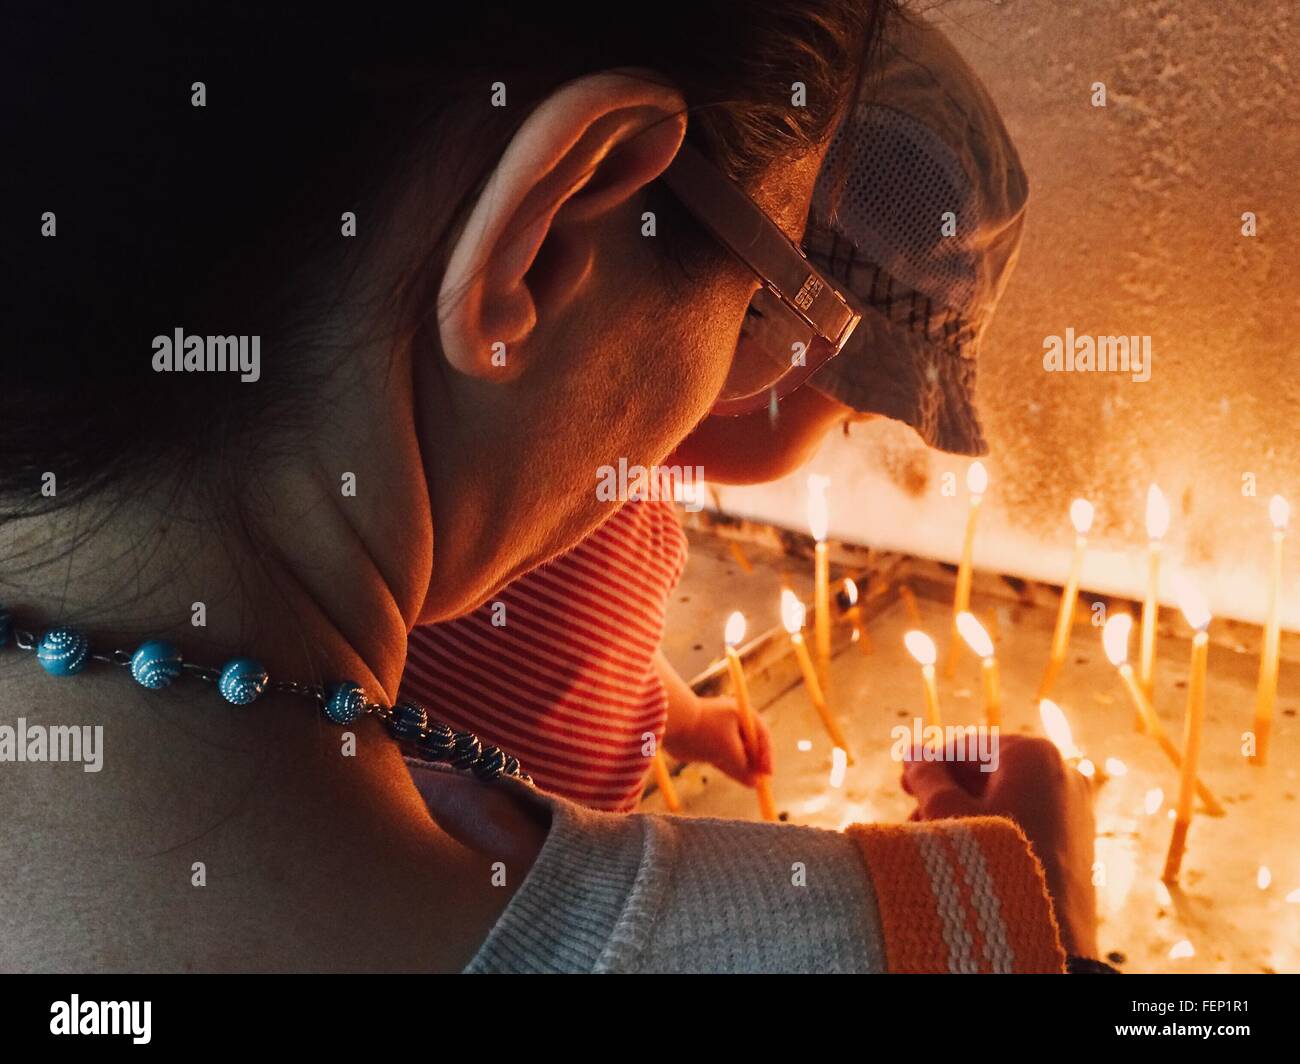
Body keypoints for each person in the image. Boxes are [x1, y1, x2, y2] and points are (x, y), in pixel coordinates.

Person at [0, 2, 1097, 972]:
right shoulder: (881, 943)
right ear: (544, 245)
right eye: (780, 308)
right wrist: (1032, 920)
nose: (729, 388)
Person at [399, 12, 1029, 814]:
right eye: (840, 416)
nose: (826, 446)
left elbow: (593, 662)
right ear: (752, 319)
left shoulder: (601, 492)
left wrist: (683, 717)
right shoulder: (508, 502)